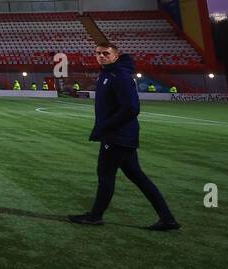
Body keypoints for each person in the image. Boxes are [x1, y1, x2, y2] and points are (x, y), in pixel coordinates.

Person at [69, 42, 179, 231]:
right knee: (137, 177)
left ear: (116, 56)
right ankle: (167, 219)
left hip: (117, 136)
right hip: (120, 135)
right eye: (98, 53)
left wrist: (106, 126)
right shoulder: (108, 74)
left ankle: (95, 217)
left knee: (105, 175)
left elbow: (132, 108)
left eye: (106, 53)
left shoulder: (119, 76)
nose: (101, 56)